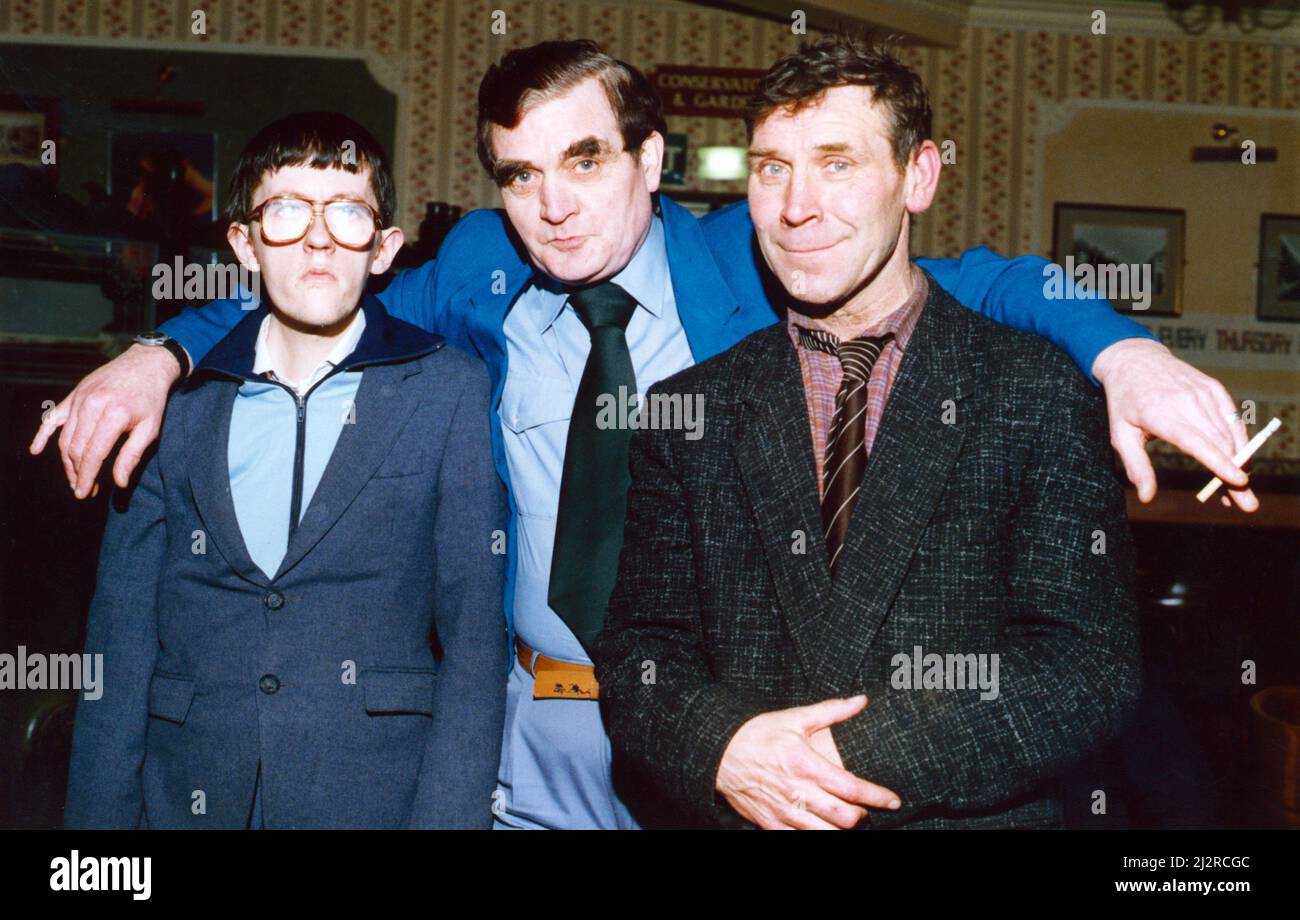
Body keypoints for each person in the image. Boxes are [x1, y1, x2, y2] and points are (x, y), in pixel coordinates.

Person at [35, 40, 1250, 830]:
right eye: (517, 174)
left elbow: (979, 276)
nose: (553, 205)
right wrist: (165, 350)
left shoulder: (757, 255)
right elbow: (311, 289)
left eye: (583, 160)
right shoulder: (477, 269)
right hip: (528, 737)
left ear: (650, 158)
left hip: (712, 748)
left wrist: (1121, 348)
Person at [595, 34, 1142, 830]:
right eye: (772, 167)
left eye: (838, 164)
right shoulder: (691, 413)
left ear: (918, 175)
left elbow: (1084, 669)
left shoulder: (1036, 391)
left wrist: (826, 767)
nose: (795, 206)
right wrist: (724, 749)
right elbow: (641, 654)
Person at [63, 112, 507, 829]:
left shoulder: (446, 390)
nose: (319, 236)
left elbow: (474, 643)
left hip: (372, 798)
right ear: (243, 241)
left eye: (349, 213)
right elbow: (120, 643)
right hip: (188, 797)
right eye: (287, 210)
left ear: (385, 247)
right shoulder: (176, 403)